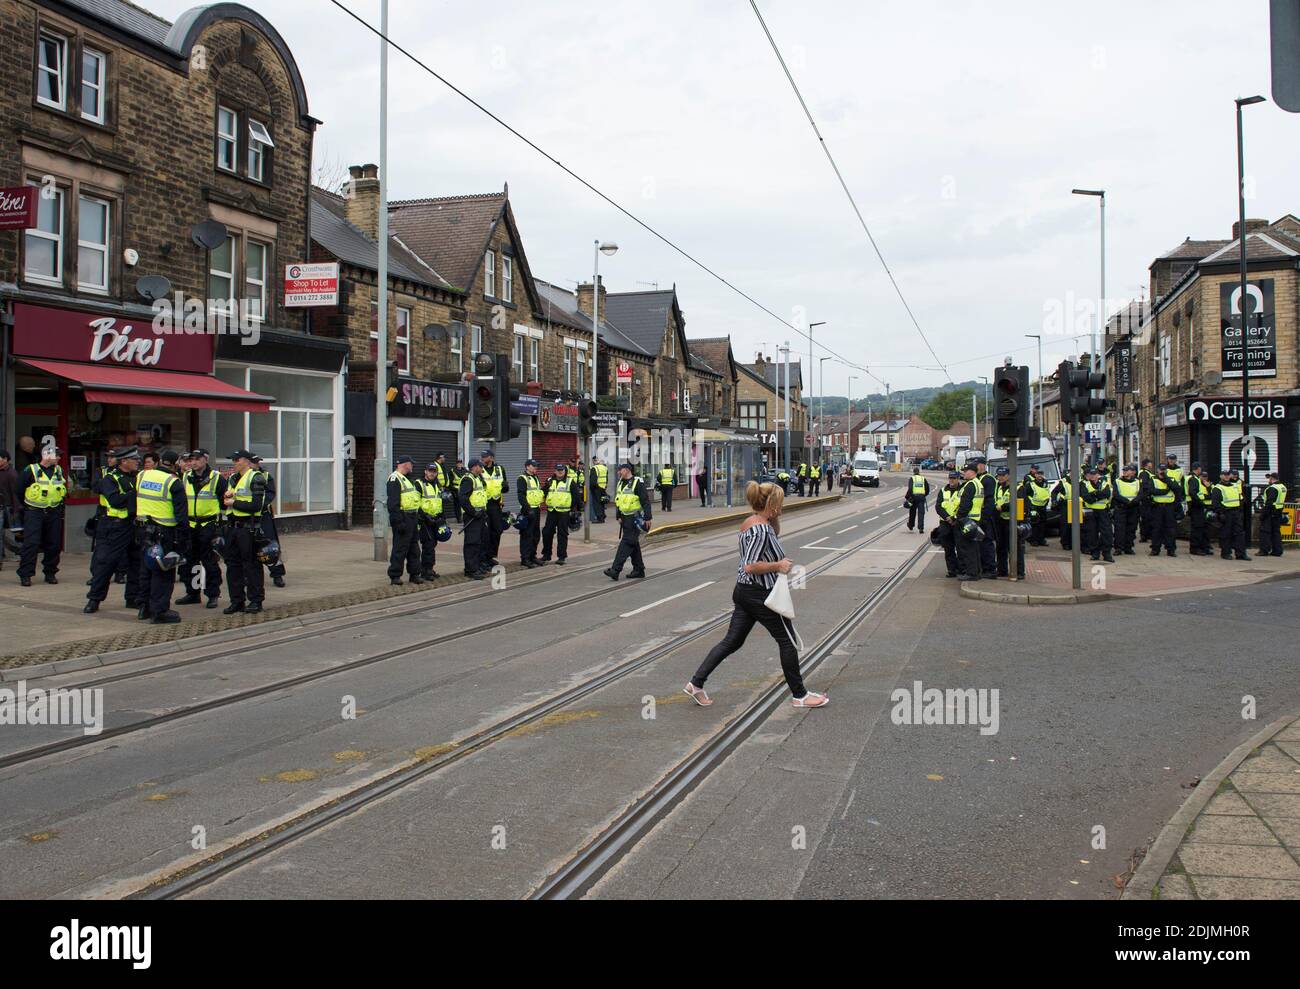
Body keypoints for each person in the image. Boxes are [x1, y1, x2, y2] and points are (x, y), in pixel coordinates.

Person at [683, 481, 829, 710]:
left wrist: (774, 514)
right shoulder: (760, 529)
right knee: (788, 642)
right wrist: (778, 565)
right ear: (771, 504)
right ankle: (800, 695)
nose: (782, 506)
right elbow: (751, 565)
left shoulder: (753, 522)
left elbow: (774, 533)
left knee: (732, 641)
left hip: (744, 591)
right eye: (779, 502)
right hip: (759, 593)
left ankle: (696, 683)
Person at [84, 447, 143, 614]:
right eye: (134, 460)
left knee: (136, 563)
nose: (138, 462)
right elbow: (116, 500)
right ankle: (94, 599)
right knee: (106, 563)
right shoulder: (110, 479)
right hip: (114, 526)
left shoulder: (137, 477)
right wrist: (135, 493)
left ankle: (133, 598)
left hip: (134, 525)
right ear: (124, 461)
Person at [134, 448, 189, 624]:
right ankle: (159, 611)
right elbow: (181, 515)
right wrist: (183, 540)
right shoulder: (174, 482)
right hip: (163, 532)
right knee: (163, 572)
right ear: (175, 464)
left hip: (143, 530)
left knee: (146, 569)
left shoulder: (142, 475)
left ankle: (144, 608)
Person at [177, 449, 227, 608]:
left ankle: (213, 594)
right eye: (191, 460)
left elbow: (224, 503)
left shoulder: (216, 478)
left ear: (206, 460)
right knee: (189, 561)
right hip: (190, 525)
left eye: (197, 459)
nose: (193, 462)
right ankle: (193, 593)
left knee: (209, 561)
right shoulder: (186, 477)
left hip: (208, 525)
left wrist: (220, 529)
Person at [223, 450, 271, 613]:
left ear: (246, 461)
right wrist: (228, 498)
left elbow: (256, 506)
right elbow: (228, 501)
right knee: (232, 566)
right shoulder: (232, 478)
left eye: (237, 460)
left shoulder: (255, 477)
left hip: (248, 529)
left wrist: (233, 502)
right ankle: (237, 600)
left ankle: (256, 600)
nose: (234, 463)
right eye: (233, 460)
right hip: (233, 528)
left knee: (251, 565)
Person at [16, 445, 66, 587]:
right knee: (31, 544)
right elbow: (19, 490)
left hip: (53, 512)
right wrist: (27, 507)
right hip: (34, 511)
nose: (59, 458)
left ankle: (50, 572)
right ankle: (26, 574)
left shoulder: (58, 470)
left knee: (54, 544)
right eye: (57, 455)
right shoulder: (30, 470)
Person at [604, 463, 652, 580]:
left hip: (635, 519)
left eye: (620, 470)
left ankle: (615, 569)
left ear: (627, 470)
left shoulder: (637, 482)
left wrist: (648, 517)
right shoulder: (620, 483)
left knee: (626, 542)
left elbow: (645, 500)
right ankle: (639, 570)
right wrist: (618, 515)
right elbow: (619, 500)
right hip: (625, 518)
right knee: (633, 543)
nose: (618, 472)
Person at [385, 456, 423, 586]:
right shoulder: (394, 479)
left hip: (412, 518)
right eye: (411, 464)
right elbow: (393, 503)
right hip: (403, 518)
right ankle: (395, 576)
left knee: (414, 548)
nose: (412, 466)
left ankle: (414, 574)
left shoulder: (407, 479)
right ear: (406, 464)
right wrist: (398, 521)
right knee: (400, 548)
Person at [250, 455, 286, 588]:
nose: (255, 465)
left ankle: (277, 574)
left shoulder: (265, 476)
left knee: (271, 545)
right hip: (247, 517)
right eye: (253, 462)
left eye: (256, 462)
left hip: (263, 516)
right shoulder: (240, 477)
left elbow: (270, 493)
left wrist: (259, 504)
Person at [993, 467, 1027, 577]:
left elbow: (1018, 503)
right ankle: (1002, 570)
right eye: (999, 475)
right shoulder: (998, 487)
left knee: (1015, 548)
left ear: (1009, 476)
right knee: (1001, 547)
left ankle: (1019, 572)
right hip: (1001, 521)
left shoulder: (1018, 488)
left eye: (1003, 475)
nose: (1000, 477)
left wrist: (1002, 507)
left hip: (1013, 522)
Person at [459, 458, 491, 579]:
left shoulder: (478, 478)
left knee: (480, 542)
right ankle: (470, 570)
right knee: (472, 543)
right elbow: (463, 499)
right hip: (472, 516)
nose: (482, 468)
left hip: (480, 515)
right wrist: (473, 512)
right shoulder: (468, 479)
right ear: (474, 467)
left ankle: (476, 566)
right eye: (480, 466)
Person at [541, 462, 577, 565]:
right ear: (555, 471)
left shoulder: (570, 482)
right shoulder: (549, 481)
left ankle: (561, 557)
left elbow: (576, 497)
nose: (560, 472)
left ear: (565, 471)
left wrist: (572, 510)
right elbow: (543, 492)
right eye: (558, 470)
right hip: (552, 511)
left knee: (562, 534)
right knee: (547, 533)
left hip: (564, 512)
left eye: (562, 470)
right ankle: (546, 555)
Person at [954, 463, 984, 582]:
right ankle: (976, 572)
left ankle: (971, 573)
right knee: (974, 547)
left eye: (965, 471)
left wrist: (958, 518)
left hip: (967, 520)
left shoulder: (970, 485)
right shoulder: (978, 483)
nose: (963, 473)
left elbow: (965, 505)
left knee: (968, 548)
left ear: (972, 472)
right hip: (975, 519)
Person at [1212, 467, 1248, 561]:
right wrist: (1220, 513)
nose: (1227, 476)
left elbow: (1240, 499)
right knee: (1226, 534)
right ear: (1221, 476)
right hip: (1225, 513)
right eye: (1225, 475)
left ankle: (1241, 554)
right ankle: (1226, 553)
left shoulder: (1235, 486)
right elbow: (1215, 503)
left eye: (1228, 474)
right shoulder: (1217, 488)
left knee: (1239, 534)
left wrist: (1240, 510)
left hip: (1236, 513)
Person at [416, 463, 444, 581]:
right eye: (430, 471)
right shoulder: (419, 484)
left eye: (434, 471)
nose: (432, 473)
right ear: (425, 471)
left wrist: (442, 518)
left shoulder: (437, 484)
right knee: (428, 545)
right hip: (424, 521)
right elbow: (416, 503)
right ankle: (425, 571)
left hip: (435, 520)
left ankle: (430, 568)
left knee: (432, 545)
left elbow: (439, 502)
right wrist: (425, 517)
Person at [1080, 465, 1115, 563]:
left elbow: (1107, 494)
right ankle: (1095, 553)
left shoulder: (1104, 483)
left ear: (1097, 475)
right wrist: (1098, 494)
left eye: (1094, 474)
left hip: (1103, 511)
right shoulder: (1084, 484)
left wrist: (1094, 494)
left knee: (1107, 533)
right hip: (1091, 512)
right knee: (1092, 533)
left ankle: (1106, 553)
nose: (1093, 476)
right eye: (1091, 474)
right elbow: (1086, 498)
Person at [1144, 463, 1179, 557]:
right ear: (1158, 470)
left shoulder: (1170, 479)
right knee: (1156, 528)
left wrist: (1165, 479)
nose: (1162, 471)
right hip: (1157, 507)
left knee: (1170, 529)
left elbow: (1176, 488)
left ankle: (1171, 549)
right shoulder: (1153, 479)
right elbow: (1151, 491)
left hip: (1169, 507)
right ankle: (1155, 549)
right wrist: (1164, 491)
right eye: (1161, 469)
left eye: (1164, 469)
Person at [934, 471, 964, 578]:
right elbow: (938, 507)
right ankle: (952, 570)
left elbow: (963, 506)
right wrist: (947, 517)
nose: (952, 480)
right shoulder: (943, 491)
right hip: (945, 523)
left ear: (958, 479)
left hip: (958, 522)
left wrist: (954, 518)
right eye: (950, 478)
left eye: (954, 478)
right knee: (948, 548)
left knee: (960, 548)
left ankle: (961, 570)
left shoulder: (962, 490)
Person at [480, 450, 507, 566]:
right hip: (484, 505)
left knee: (497, 530)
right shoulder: (479, 470)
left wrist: (505, 488)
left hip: (496, 504)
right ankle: (483, 558)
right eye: (482, 457)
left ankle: (491, 555)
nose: (482, 459)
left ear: (491, 458)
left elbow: (504, 485)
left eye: (485, 457)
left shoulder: (500, 469)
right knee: (485, 532)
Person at [517, 459, 545, 567]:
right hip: (528, 510)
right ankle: (525, 558)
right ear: (527, 467)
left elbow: (538, 492)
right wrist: (527, 509)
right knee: (526, 535)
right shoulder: (522, 478)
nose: (536, 468)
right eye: (534, 466)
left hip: (536, 509)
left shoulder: (536, 478)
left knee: (535, 535)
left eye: (536, 466)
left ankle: (532, 556)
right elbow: (521, 495)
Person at [973, 457, 998, 577]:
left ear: (982, 466)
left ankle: (990, 569)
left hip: (986, 517)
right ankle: (984, 567)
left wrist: (984, 518)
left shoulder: (987, 479)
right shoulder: (979, 479)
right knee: (981, 543)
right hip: (980, 516)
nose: (975, 467)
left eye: (977, 465)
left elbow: (989, 500)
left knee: (987, 542)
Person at [1111, 464, 1141, 556]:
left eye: (1127, 470)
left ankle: (1128, 547)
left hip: (1133, 508)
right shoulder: (1117, 481)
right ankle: (1118, 548)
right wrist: (1127, 501)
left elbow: (1140, 494)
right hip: (1121, 507)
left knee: (1131, 528)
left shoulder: (1137, 481)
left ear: (1131, 472)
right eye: (1123, 470)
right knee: (1119, 529)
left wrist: (1134, 501)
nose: (1124, 472)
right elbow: (1116, 495)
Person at [1184, 463, 1212, 556]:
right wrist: (1201, 502)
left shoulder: (1190, 478)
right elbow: (1193, 493)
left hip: (1194, 505)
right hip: (1195, 506)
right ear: (1198, 469)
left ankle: (1202, 547)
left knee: (1201, 527)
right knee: (1197, 528)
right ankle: (1195, 548)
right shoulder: (1193, 479)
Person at [1020, 465, 1052, 546]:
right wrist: (1029, 506)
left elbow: (1047, 493)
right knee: (1034, 524)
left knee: (1042, 524)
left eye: (1041, 474)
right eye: (1038, 474)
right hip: (1034, 507)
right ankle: (1033, 540)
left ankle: (1041, 540)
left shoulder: (1046, 483)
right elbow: (1025, 495)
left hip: (1043, 506)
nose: (1040, 476)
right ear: (1035, 475)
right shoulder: (1030, 484)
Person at [1257, 471, 1287, 557]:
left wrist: (1263, 515)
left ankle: (1264, 550)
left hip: (1270, 512)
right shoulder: (1282, 487)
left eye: (1269, 478)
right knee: (1276, 532)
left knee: (1265, 532)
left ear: (1271, 478)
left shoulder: (1272, 488)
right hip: (1278, 512)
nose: (1268, 480)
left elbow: (1269, 503)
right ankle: (1277, 550)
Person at [0, 449, 19, 574]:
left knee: (5, 535)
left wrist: (16, 509)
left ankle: (18, 551)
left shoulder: (11, 474)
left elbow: (15, 493)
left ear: (5, 459)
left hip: (4, 508)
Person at [1137, 459, 1155, 543]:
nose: (1151, 464)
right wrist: (1148, 495)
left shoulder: (1148, 473)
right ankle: (1144, 535)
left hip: (1147, 499)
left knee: (1149, 517)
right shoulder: (1144, 473)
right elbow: (1144, 485)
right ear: (1147, 465)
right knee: (1145, 518)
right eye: (1150, 463)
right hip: (1145, 499)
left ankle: (1147, 535)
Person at [906, 467, 930, 532]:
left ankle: (911, 525)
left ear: (913, 472)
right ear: (919, 472)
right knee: (921, 513)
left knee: (912, 512)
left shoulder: (912, 478)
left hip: (913, 497)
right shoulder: (923, 479)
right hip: (921, 497)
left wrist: (907, 497)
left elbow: (910, 489)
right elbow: (927, 489)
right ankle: (921, 528)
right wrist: (924, 495)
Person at [448, 457, 467, 523]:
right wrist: (452, 489)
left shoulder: (465, 470)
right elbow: (449, 482)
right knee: (457, 505)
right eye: (458, 463)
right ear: (456, 464)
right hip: (455, 490)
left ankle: (465, 517)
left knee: (464, 503)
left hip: (464, 489)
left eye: (460, 463)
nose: (459, 464)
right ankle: (459, 518)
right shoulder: (452, 471)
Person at [592, 456, 611, 521]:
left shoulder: (594, 468)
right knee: (602, 502)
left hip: (596, 488)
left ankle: (599, 518)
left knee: (597, 503)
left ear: (595, 461)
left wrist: (591, 488)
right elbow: (606, 478)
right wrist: (605, 486)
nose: (593, 462)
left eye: (594, 461)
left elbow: (592, 481)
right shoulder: (605, 468)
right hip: (603, 488)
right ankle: (603, 515)